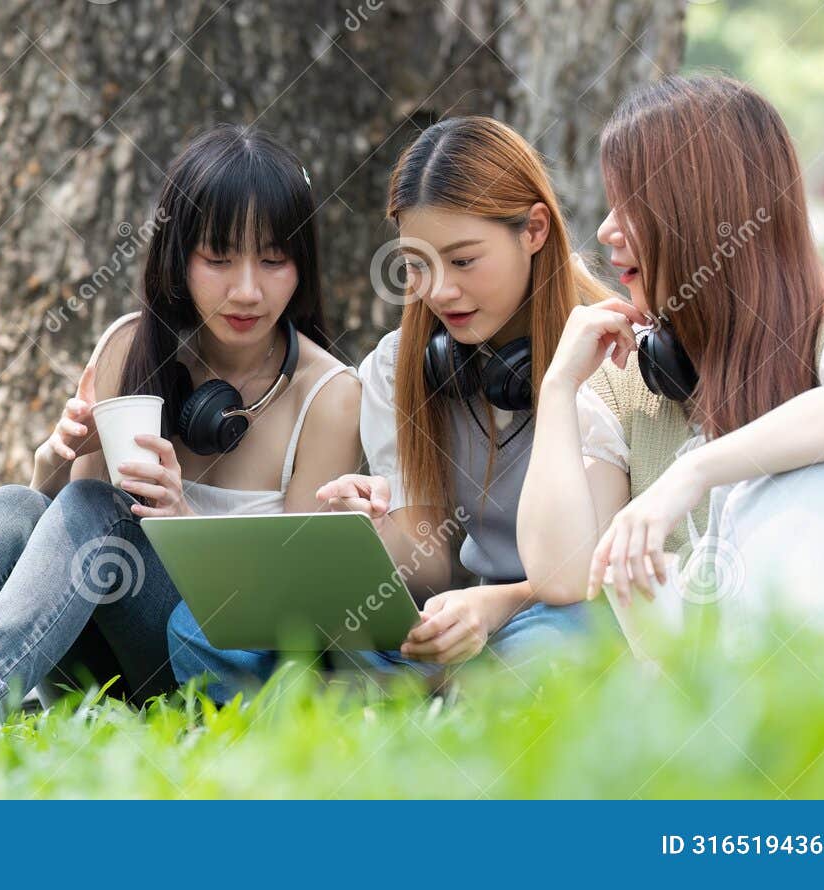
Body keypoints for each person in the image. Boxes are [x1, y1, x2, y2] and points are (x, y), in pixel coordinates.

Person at [0, 124, 362, 740]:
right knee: (18, 504)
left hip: (217, 674)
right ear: (177, 258)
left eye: (274, 260)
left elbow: (304, 613)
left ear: (301, 266)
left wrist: (182, 524)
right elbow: (65, 529)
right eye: (219, 259)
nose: (247, 289)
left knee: (104, 510)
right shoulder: (129, 347)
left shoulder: (328, 395)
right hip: (94, 667)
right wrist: (56, 459)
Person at [169, 116, 613, 703]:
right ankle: (418, 700)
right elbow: (426, 566)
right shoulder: (396, 366)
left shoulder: (602, 350)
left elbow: (595, 571)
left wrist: (497, 603)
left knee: (546, 657)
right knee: (198, 629)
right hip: (444, 621)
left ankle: (380, 705)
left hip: (551, 612)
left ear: (533, 230)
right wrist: (371, 533)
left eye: (463, 261)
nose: (438, 291)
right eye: (417, 266)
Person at [519, 75, 824, 641]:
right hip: (699, 695)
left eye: (631, 205)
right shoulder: (630, 380)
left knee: (814, 462)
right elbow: (561, 575)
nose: (605, 230)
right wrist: (558, 388)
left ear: (704, 209)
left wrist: (691, 474)